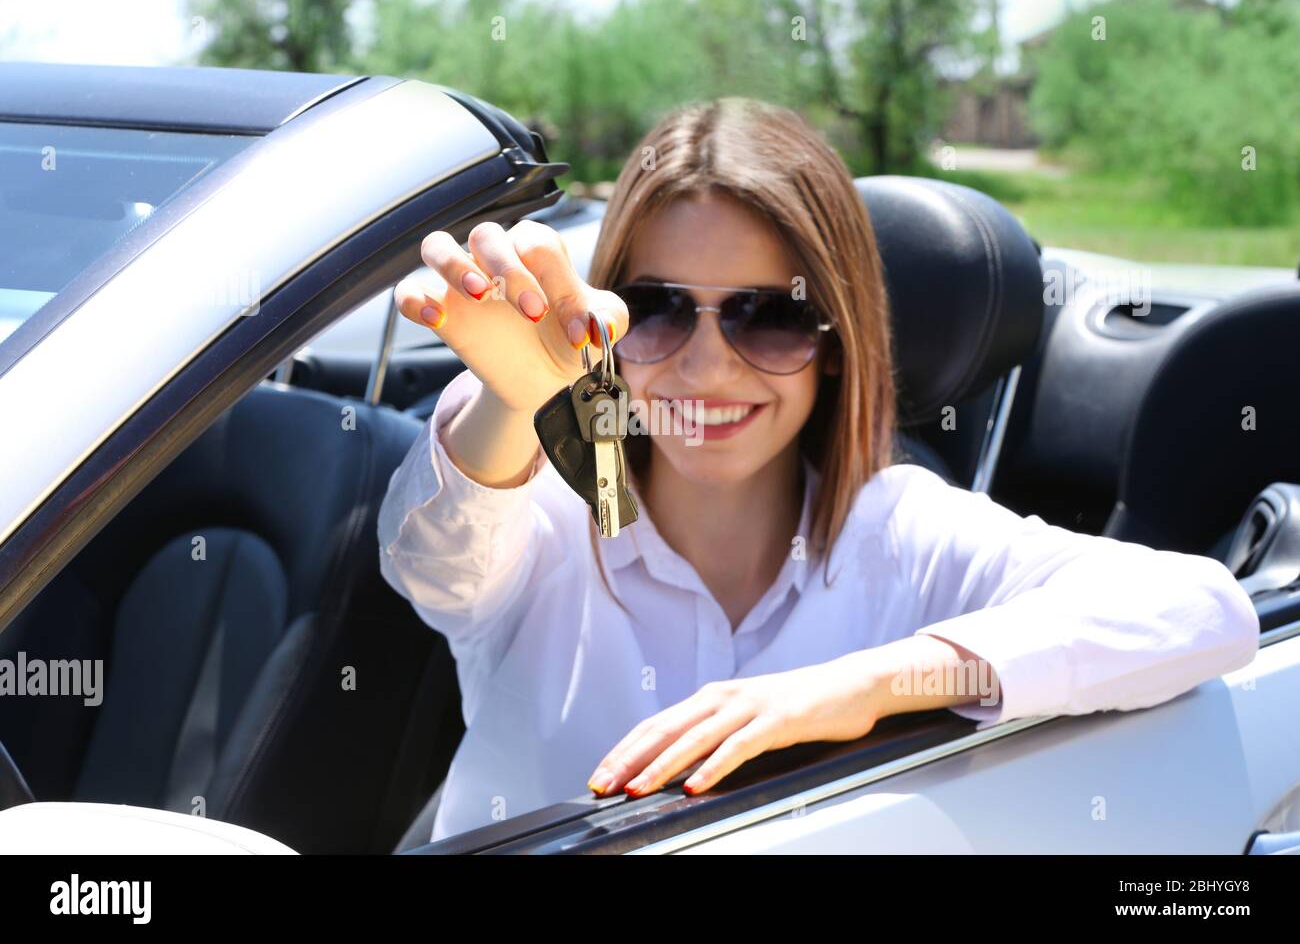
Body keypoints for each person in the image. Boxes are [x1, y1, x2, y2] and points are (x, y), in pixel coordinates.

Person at [377, 97, 1258, 843]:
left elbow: (1201, 609)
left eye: (769, 317)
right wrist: (512, 401)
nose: (708, 367)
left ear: (837, 343)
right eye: (658, 310)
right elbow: (436, 557)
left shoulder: (901, 528)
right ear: (607, 319)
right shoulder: (560, 509)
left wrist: (866, 688)